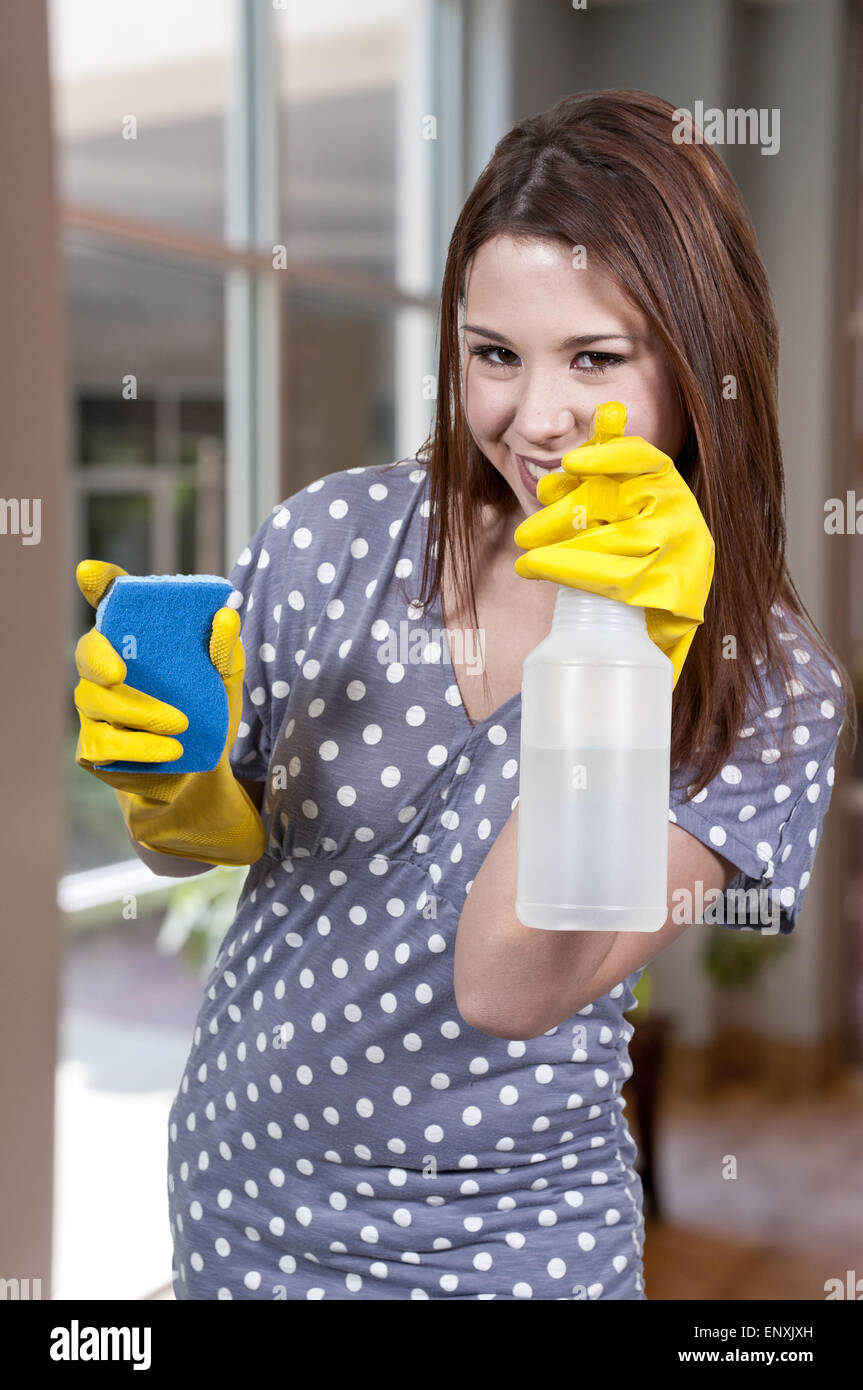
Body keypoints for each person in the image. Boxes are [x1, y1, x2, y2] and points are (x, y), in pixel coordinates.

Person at [74, 89, 856, 1300]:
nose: (532, 419)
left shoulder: (767, 686)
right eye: (492, 353)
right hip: (240, 1209)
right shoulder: (337, 536)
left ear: (701, 364)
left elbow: (509, 982)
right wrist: (177, 790)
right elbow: (205, 842)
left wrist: (616, 647)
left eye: (592, 359)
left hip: (508, 1254)